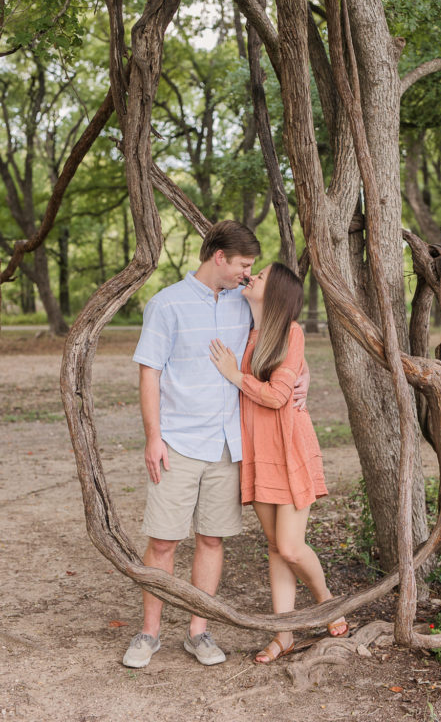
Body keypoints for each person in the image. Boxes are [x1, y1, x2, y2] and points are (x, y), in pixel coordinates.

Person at [123, 220, 264, 668]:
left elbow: (276, 350)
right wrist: (153, 438)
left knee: (211, 540)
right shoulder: (167, 304)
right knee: (163, 542)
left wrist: (299, 383)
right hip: (178, 443)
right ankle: (149, 634)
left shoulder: (247, 304)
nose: (248, 273)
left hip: (228, 444)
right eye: (244, 264)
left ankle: (198, 632)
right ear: (218, 256)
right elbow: (150, 372)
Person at [208, 262, 347, 663]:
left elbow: (276, 396)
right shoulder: (247, 331)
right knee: (274, 547)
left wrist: (235, 375)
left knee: (289, 545)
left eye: (262, 275)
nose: (253, 277)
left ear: (277, 293)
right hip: (256, 452)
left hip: (289, 450)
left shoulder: (291, 331)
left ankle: (326, 602)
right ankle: (283, 633)